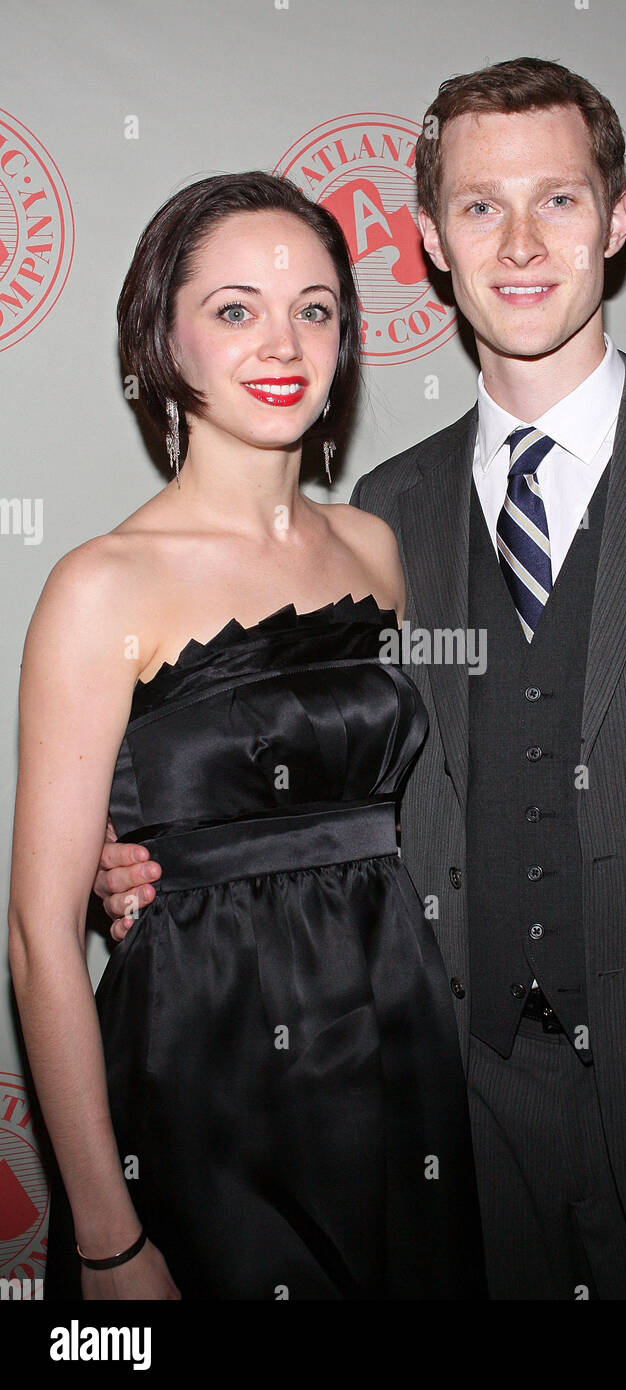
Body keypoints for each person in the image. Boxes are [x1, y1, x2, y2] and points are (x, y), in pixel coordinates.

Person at [94, 59, 626, 1300]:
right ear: (429, 242)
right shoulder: (387, 512)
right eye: (476, 206)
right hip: (450, 1127)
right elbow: (330, 782)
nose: (517, 242)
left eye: (556, 201)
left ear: (614, 222)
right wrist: (155, 855)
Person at [8, 170, 486, 1301]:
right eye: (234, 309)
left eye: (314, 309)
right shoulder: (100, 585)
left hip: (396, 1038)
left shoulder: (374, 546)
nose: (283, 343)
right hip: (205, 1060)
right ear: (162, 339)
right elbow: (38, 939)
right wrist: (108, 1240)